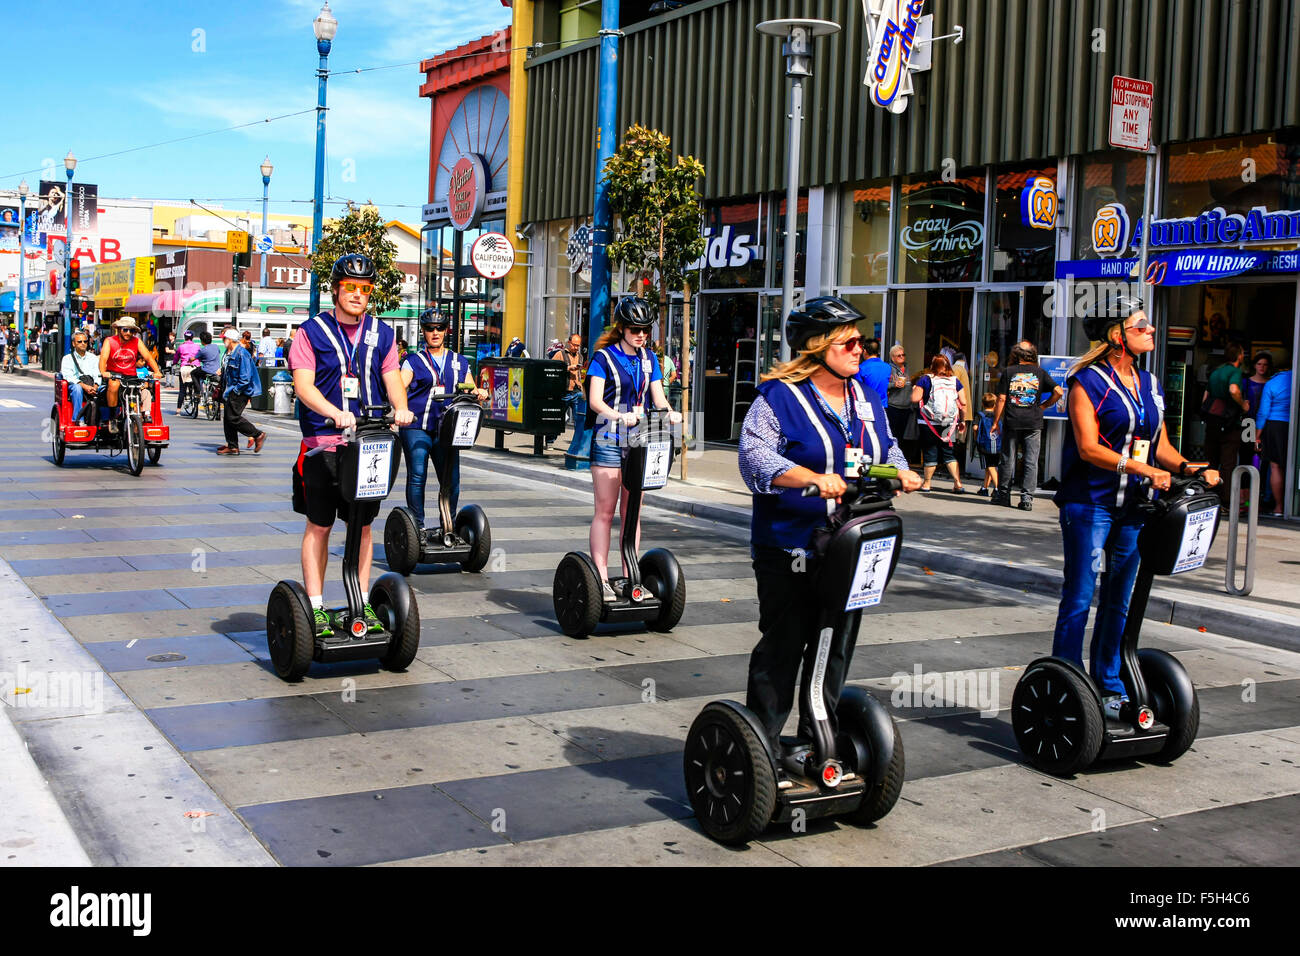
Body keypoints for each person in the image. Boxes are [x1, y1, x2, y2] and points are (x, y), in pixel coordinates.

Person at [738, 296, 922, 770]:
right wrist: (810, 478)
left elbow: (887, 446)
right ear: (818, 347)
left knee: (836, 644)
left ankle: (812, 740)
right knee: (785, 644)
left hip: (852, 544)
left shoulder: (864, 396)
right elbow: (754, 459)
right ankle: (761, 747)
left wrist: (901, 471)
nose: (861, 349)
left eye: (862, 341)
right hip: (790, 545)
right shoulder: (776, 397)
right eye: (851, 342)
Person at [1053, 297, 1220, 718]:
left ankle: (1108, 682)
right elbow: (1089, 448)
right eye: (1141, 326)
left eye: (1148, 325)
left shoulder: (1150, 385)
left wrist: (1188, 466)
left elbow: (1160, 445)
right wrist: (1142, 467)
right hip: (1090, 505)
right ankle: (1066, 681)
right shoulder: (1086, 382)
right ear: (1117, 335)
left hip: (1133, 510)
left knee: (1119, 599)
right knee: (1080, 595)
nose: (1150, 331)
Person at [288, 253, 413, 637]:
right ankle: (316, 606)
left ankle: (359, 602)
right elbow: (303, 386)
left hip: (369, 443)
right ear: (336, 289)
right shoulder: (310, 332)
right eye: (351, 287)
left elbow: (392, 376)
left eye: (365, 289)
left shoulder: (383, 333)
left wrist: (402, 408)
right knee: (320, 526)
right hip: (324, 445)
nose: (358, 294)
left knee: (362, 526)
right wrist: (334, 412)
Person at [586, 298, 682, 601]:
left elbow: (658, 397)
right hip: (608, 439)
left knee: (633, 513)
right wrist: (618, 415)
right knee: (605, 511)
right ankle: (600, 578)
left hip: (639, 440)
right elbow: (595, 401)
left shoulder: (649, 359)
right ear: (621, 328)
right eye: (635, 329)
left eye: (645, 329)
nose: (641, 335)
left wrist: (670, 412)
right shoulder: (603, 358)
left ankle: (631, 577)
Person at [398, 309, 487, 529]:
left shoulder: (459, 361)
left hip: (447, 430)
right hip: (416, 426)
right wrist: (398, 409)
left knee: (451, 482)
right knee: (418, 477)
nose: (435, 333)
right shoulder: (413, 361)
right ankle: (416, 527)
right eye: (430, 329)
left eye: (439, 328)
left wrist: (479, 393)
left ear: (446, 331)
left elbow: (470, 388)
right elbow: (399, 387)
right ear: (423, 332)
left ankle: (449, 527)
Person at [990, 341, 1062, 511]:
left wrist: (995, 422)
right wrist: (1043, 406)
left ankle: (1004, 495)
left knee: (1007, 459)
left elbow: (1001, 399)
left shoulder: (1009, 372)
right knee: (1031, 461)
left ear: (1016, 354)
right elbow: (1058, 391)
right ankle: (1027, 499)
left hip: (1012, 421)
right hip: (1033, 422)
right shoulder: (1040, 372)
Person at [1201, 342, 1249, 505]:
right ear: (1239, 356)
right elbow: (1234, 390)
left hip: (1212, 421)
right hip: (1229, 422)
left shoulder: (1216, 372)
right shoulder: (1235, 372)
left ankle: (1208, 497)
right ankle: (1227, 501)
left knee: (1211, 461)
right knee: (1228, 463)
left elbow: (1205, 397)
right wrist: (1243, 405)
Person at [911, 353, 967, 492]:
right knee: (949, 453)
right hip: (948, 422)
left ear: (933, 366)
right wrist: (962, 420)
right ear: (948, 365)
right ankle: (957, 483)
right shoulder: (955, 381)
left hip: (927, 423)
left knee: (930, 451)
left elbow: (915, 398)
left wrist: (913, 390)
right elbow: (963, 402)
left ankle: (927, 484)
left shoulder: (925, 379)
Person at [97, 316, 162, 432]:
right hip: (114, 375)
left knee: (141, 395)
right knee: (114, 385)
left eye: (131, 330)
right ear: (119, 329)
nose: (128, 333)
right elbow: (103, 359)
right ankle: (112, 417)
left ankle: (137, 430)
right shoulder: (110, 341)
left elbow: (147, 357)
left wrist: (157, 371)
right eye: (125, 330)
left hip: (131, 377)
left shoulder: (136, 341)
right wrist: (103, 372)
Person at [217, 328, 266, 456]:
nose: (223, 341)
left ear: (230, 340)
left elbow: (245, 377)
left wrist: (236, 390)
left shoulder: (241, 354)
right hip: (232, 390)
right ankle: (233, 446)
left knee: (232, 417)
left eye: (224, 339)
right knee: (228, 418)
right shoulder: (232, 353)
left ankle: (258, 434)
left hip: (240, 391)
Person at [1255, 358, 1291, 518]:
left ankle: (1279, 507)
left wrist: (1257, 435)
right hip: (1294, 425)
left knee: (1276, 467)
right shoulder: (1295, 378)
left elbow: (1263, 411)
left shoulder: (1272, 383)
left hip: (1275, 426)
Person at [59, 330, 101, 424]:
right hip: (76, 385)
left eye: (85, 341)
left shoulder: (93, 358)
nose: (83, 344)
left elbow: (97, 374)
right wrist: (85, 387)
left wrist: (95, 386)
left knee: (105, 389)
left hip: (92, 384)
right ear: (74, 344)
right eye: (79, 342)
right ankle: (78, 418)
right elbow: (69, 376)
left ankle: (105, 419)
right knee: (77, 389)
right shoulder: (67, 359)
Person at [884, 344, 913, 447]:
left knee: (901, 436)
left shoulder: (907, 368)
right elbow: (883, 385)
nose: (902, 357)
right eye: (898, 355)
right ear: (893, 358)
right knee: (892, 434)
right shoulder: (888, 368)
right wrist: (894, 385)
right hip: (894, 406)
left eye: (903, 355)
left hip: (906, 407)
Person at [974, 391, 1001, 496]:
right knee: (990, 467)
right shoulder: (997, 416)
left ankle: (998, 488)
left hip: (985, 445)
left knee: (990, 466)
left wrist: (976, 438)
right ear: (995, 405)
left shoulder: (980, 415)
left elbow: (975, 428)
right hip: (997, 445)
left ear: (982, 404)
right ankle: (984, 488)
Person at [854, 337, 891, 404]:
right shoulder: (887, 367)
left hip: (867, 406)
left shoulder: (861, 368)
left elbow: (857, 390)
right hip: (882, 405)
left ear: (864, 351)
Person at [174, 330, 201, 409]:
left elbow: (176, 357)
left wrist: (174, 363)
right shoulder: (197, 346)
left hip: (184, 368)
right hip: (195, 367)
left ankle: (178, 409)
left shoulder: (181, 347)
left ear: (185, 337)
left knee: (182, 389)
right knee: (197, 386)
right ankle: (196, 401)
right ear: (192, 338)